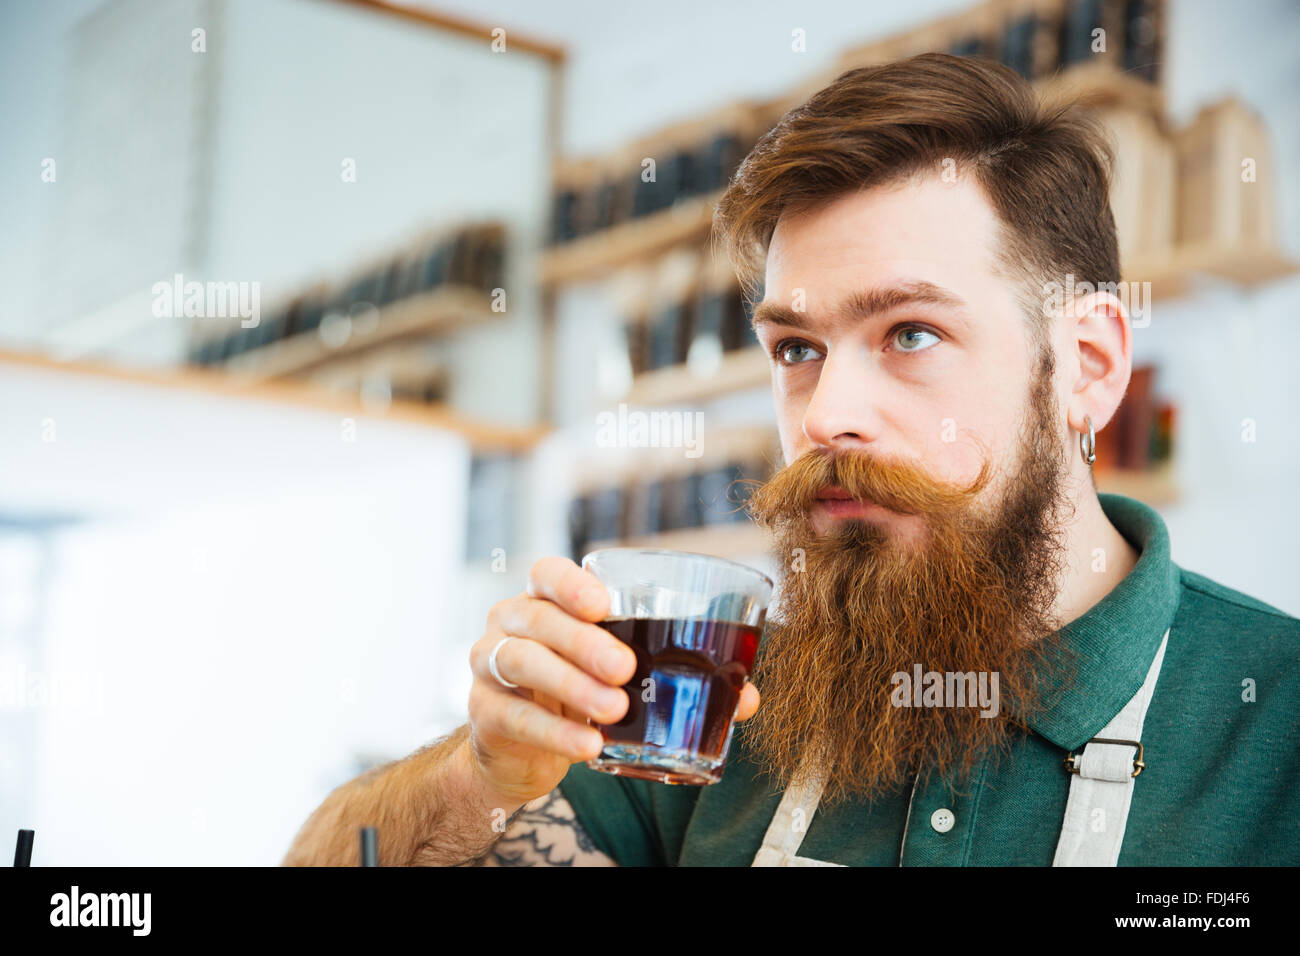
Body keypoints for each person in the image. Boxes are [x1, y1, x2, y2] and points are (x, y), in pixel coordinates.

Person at [282, 53, 1298, 867]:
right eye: (796, 351)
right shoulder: (714, 698)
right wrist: (481, 773)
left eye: (909, 333)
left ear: (1086, 364)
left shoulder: (1274, 720)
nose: (827, 416)